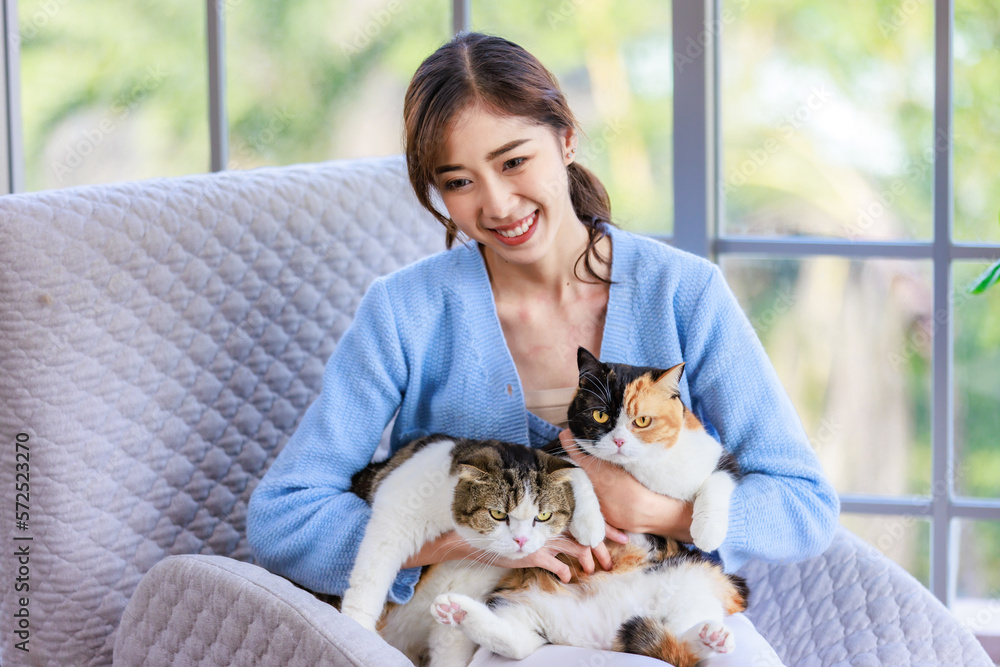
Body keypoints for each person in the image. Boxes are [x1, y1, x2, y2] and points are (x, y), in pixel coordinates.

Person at [247, 32, 840, 666]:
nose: (497, 205)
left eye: (513, 162)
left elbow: (804, 504)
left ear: (565, 139)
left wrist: (658, 511)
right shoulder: (405, 312)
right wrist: (459, 540)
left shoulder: (682, 293)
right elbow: (283, 518)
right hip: (504, 625)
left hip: (662, 613)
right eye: (458, 181)